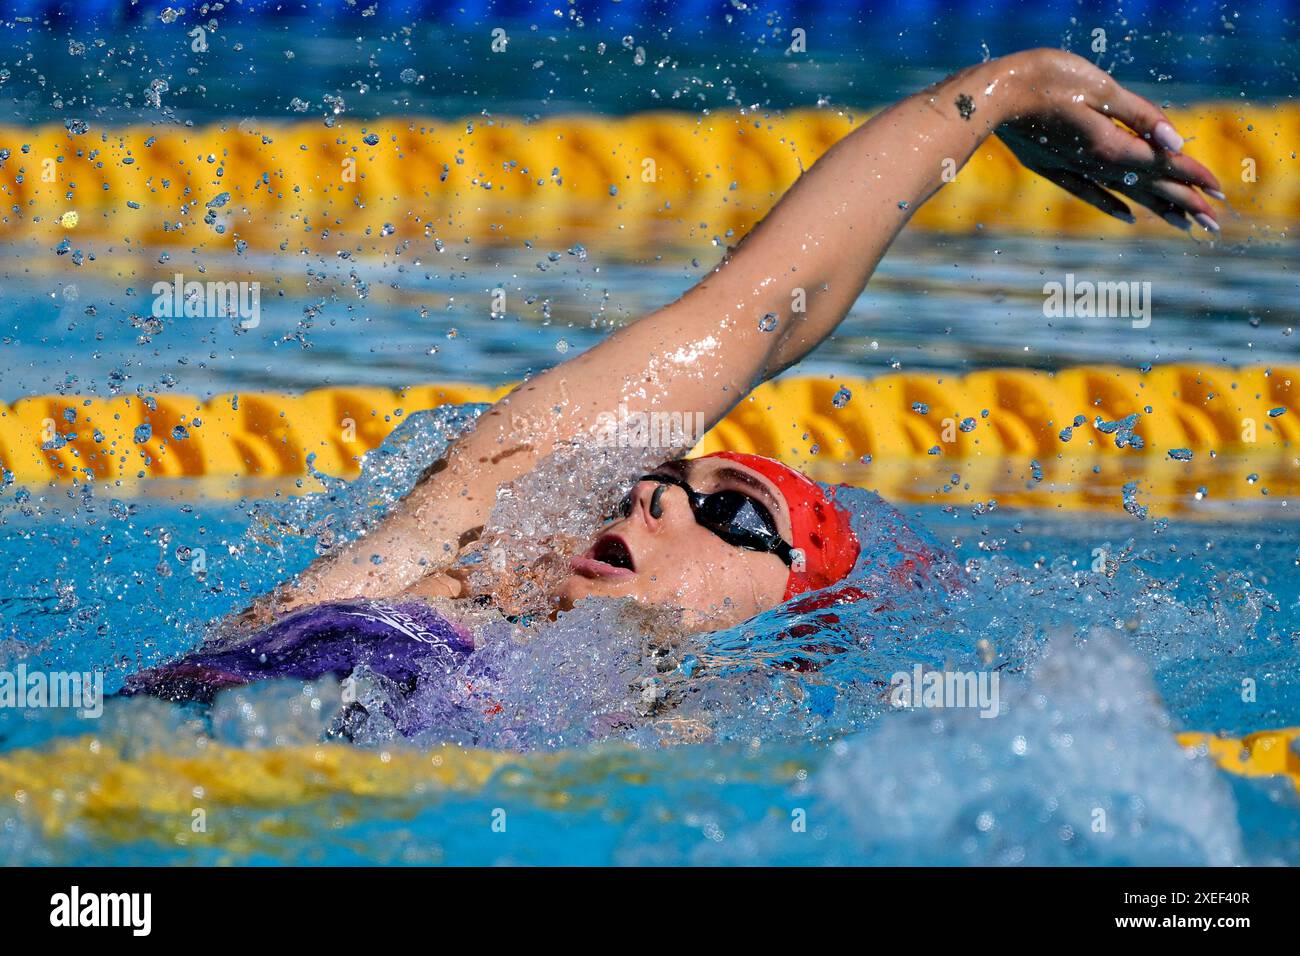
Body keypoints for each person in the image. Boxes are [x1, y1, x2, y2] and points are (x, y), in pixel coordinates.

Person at [126, 48, 1222, 704]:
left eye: (733, 517)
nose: (652, 492)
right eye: (653, 481)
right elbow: (757, 307)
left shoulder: (724, 774)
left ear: (789, 623)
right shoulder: (451, 568)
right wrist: (1000, 93)